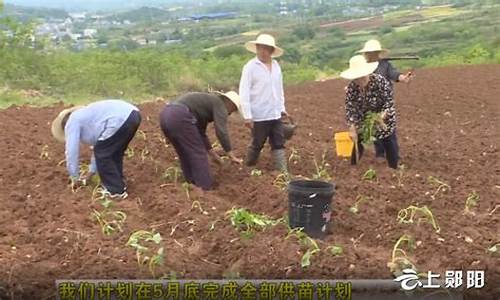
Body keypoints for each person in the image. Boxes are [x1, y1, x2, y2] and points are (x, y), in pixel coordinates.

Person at [51, 99, 142, 199]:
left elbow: (72, 151)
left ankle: (115, 191)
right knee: (114, 153)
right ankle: (118, 182)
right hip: (133, 115)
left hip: (119, 119)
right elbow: (99, 146)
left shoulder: (72, 121)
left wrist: (74, 176)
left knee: (104, 154)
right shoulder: (87, 117)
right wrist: (91, 172)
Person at [159, 91, 243, 191]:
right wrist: (231, 155)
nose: (229, 114)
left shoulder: (206, 104)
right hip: (180, 115)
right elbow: (221, 131)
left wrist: (213, 155)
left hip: (166, 115)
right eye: (233, 110)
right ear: (230, 103)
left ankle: (191, 183)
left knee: (184, 153)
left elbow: (200, 133)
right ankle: (205, 189)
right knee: (198, 154)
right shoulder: (219, 104)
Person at [239, 33, 289, 173]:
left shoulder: (276, 65)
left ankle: (283, 172)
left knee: (278, 143)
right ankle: (248, 168)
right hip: (259, 114)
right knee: (257, 143)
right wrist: (247, 115)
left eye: (266, 48)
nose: (262, 51)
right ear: (256, 48)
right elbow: (244, 92)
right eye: (260, 48)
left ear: (271, 51)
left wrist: (282, 108)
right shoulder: (250, 67)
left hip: (274, 113)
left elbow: (279, 89)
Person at [340, 55, 399, 169]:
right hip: (365, 120)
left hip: (384, 119)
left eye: (362, 77)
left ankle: (394, 169)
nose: (360, 80)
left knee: (388, 141)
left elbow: (389, 102)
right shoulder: (352, 88)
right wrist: (352, 127)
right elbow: (350, 108)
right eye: (357, 78)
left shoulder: (380, 82)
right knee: (359, 140)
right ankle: (353, 168)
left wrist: (381, 117)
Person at [357, 39, 413, 160]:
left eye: (374, 52)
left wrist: (404, 78)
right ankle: (380, 154)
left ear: (378, 53)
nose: (371, 55)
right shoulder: (363, 67)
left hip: (385, 102)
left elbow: (395, 74)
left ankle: (393, 155)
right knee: (375, 128)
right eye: (369, 53)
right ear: (366, 54)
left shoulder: (385, 65)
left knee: (389, 129)